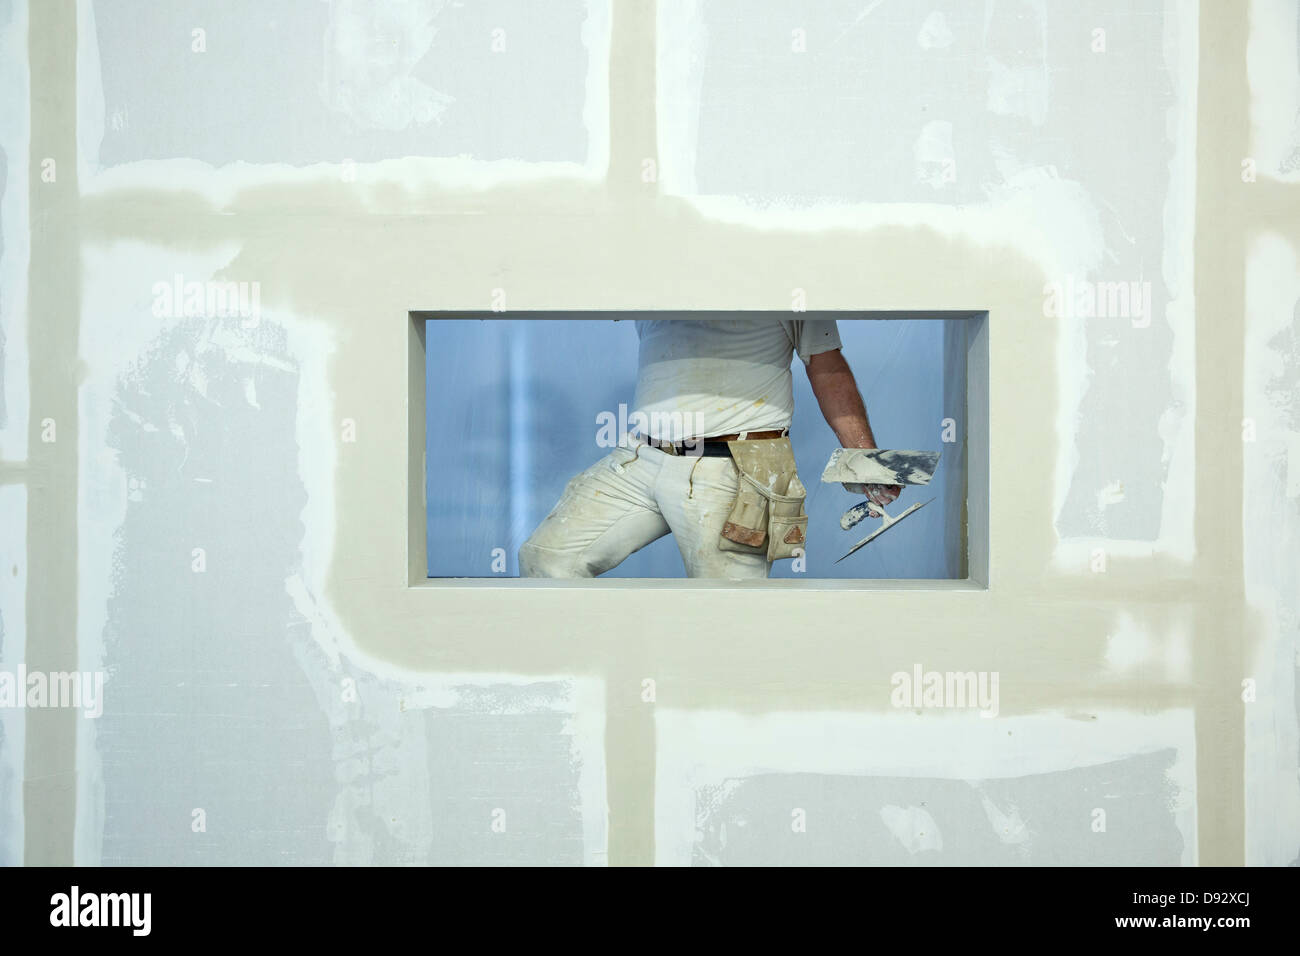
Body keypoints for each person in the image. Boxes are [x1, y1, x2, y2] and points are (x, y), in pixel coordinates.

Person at [518, 318, 900, 579]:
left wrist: (864, 461)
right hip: (641, 456)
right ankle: (603, 683)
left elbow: (827, 368)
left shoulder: (785, 270)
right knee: (547, 559)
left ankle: (722, 697)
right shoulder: (655, 267)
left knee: (727, 617)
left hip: (732, 468)